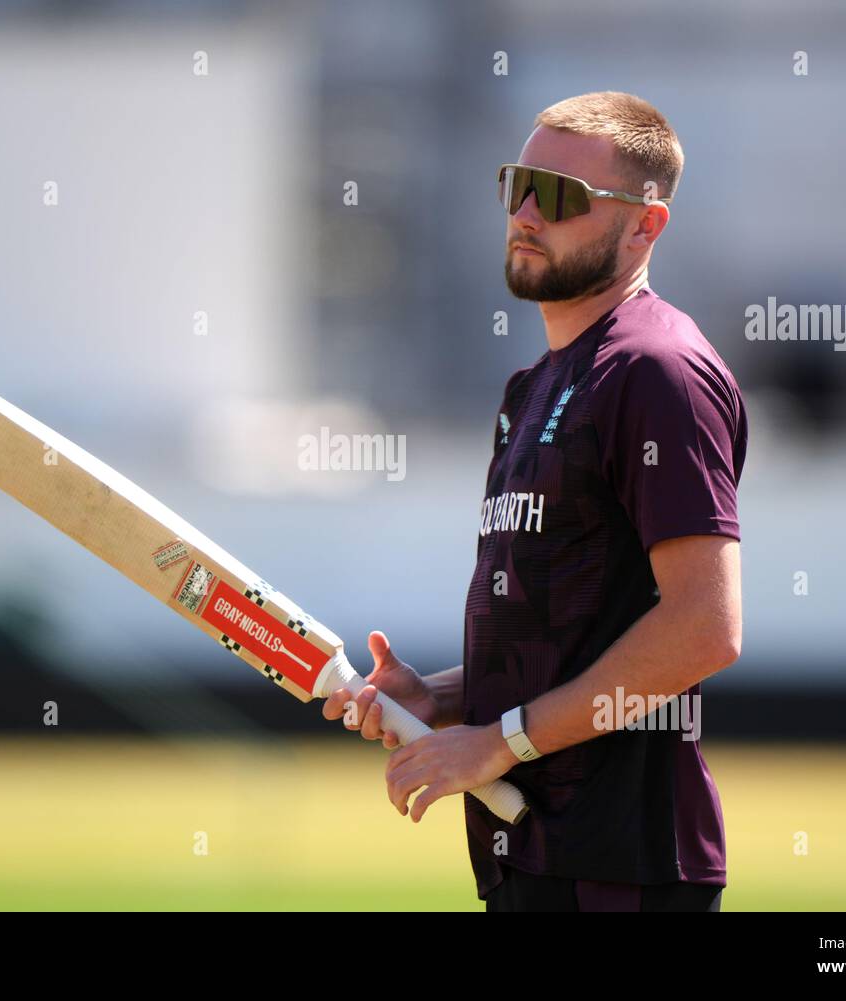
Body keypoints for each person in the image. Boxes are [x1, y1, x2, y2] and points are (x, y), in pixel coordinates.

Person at [324, 91, 746, 912]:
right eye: (517, 185)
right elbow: (578, 624)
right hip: (534, 857)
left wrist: (497, 741)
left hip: (622, 867)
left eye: (556, 196)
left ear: (644, 226)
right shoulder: (534, 385)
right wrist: (442, 700)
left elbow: (705, 627)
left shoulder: (656, 372)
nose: (525, 213)